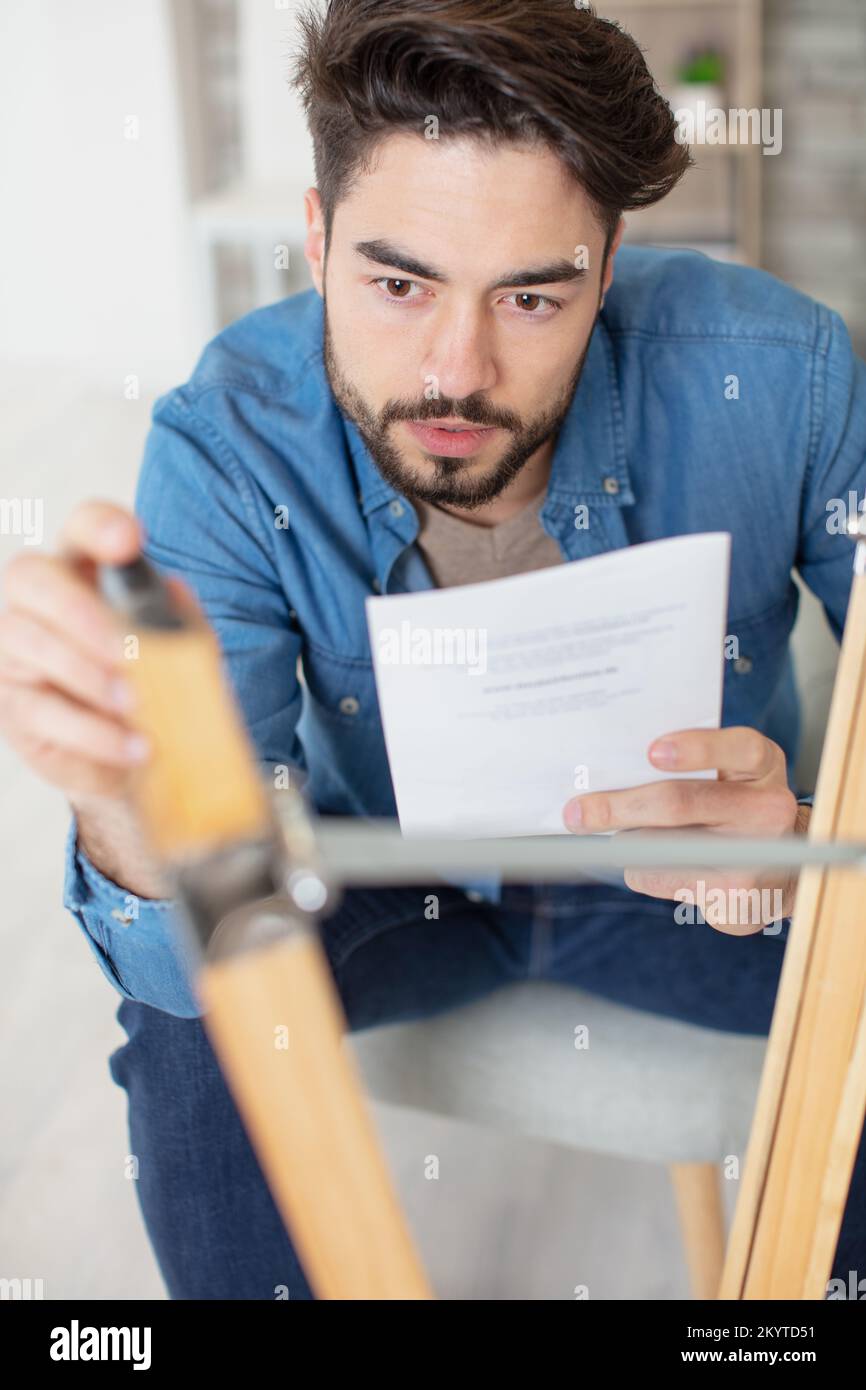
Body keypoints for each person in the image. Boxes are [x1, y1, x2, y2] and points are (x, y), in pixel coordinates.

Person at [1, 0, 864, 1299]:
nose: (453, 373)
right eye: (397, 283)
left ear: (608, 262)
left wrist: (806, 844)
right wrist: (131, 812)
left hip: (696, 886)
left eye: (530, 295)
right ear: (315, 237)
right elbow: (203, 916)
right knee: (195, 1012)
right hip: (382, 885)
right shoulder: (226, 444)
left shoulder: (785, 373)